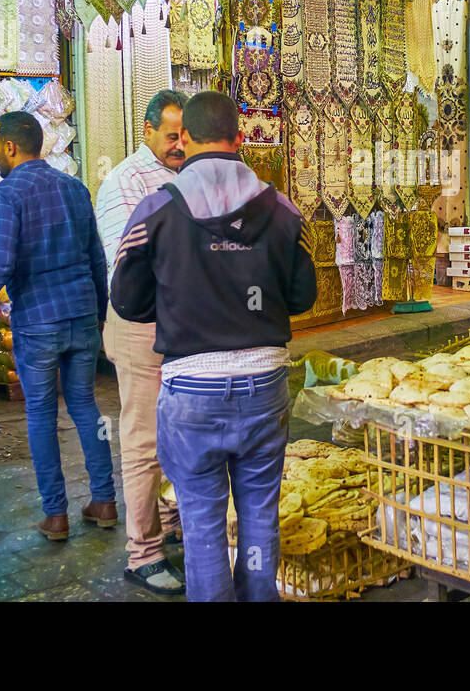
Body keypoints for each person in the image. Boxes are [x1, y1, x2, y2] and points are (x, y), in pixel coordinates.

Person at [111, 90, 317, 602]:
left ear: (184, 139)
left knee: (202, 522)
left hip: (190, 390)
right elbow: (303, 296)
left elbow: (127, 300)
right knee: (258, 516)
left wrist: (185, 299)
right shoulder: (281, 209)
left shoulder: (155, 210)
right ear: (240, 139)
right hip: (265, 385)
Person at [0, 111, 117, 541]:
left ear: (10, 146)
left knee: (41, 415)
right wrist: (100, 314)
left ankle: (56, 515)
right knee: (85, 406)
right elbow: (96, 257)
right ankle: (104, 500)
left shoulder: (6, 194)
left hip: (37, 321)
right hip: (81, 315)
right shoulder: (74, 188)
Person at [95, 90, 189, 595]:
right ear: (147, 130)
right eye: (171, 135)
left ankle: (170, 525)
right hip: (140, 324)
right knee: (143, 439)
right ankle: (143, 553)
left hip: (184, 326)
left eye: (184, 136)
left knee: (179, 430)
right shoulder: (125, 182)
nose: (178, 144)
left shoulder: (188, 174)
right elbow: (127, 268)